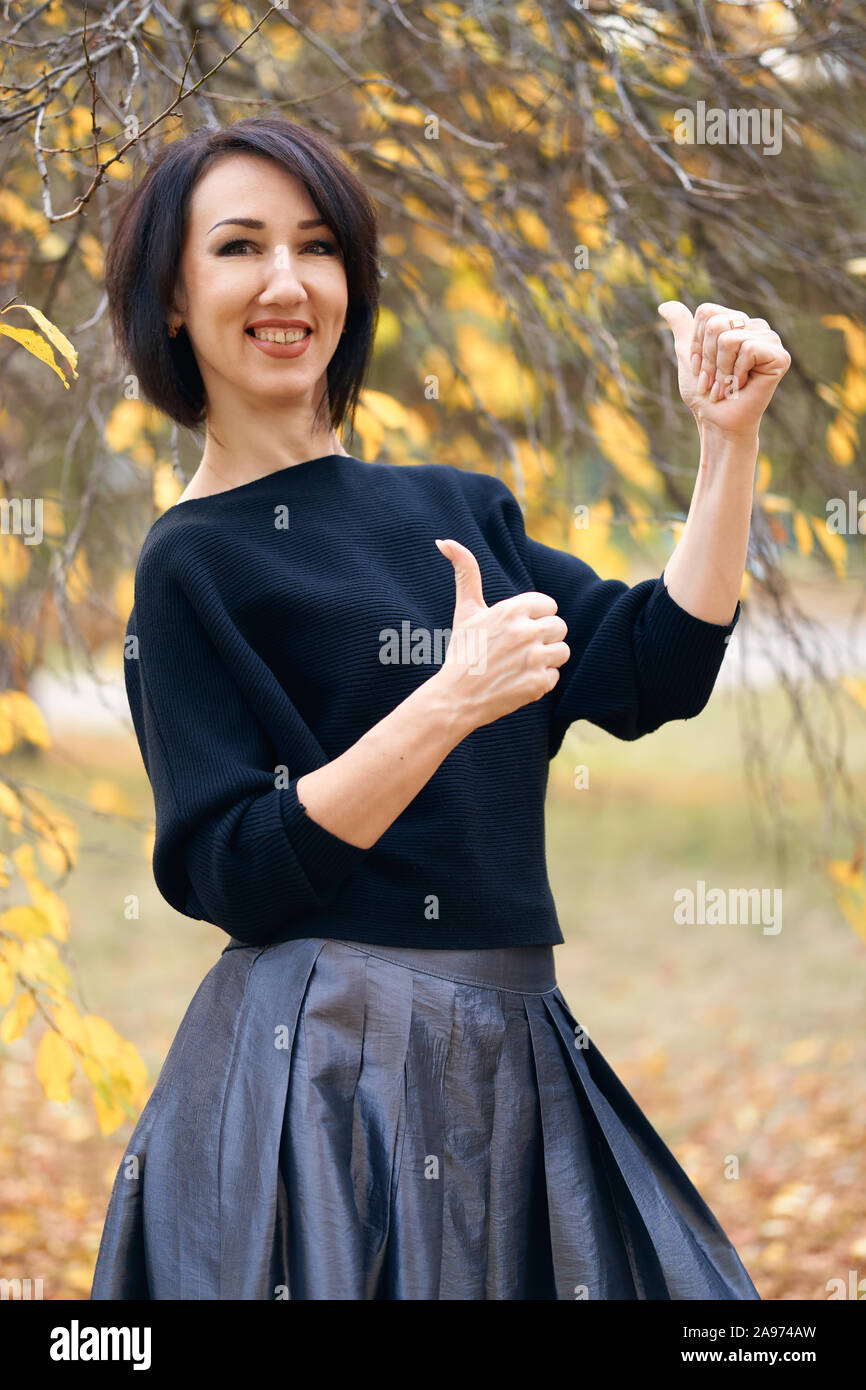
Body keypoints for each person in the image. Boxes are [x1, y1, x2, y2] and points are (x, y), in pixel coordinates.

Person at [90, 115, 790, 1300]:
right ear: (170, 296)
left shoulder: (454, 506)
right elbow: (237, 871)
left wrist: (725, 449)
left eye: (315, 247)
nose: (284, 282)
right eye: (238, 248)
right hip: (324, 1066)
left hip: (513, 1037)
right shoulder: (189, 563)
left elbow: (652, 667)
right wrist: (446, 704)